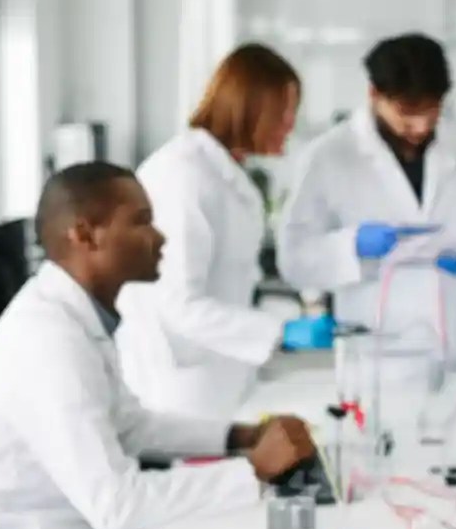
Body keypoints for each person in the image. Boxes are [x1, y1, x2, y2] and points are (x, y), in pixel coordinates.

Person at [0, 162, 316, 529]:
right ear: (85, 235)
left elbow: (129, 425)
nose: (160, 239)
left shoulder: (75, 317)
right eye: (142, 221)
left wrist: (239, 435)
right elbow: (116, 504)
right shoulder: (47, 340)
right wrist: (252, 469)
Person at [117, 43, 315, 419]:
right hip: (181, 391)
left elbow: (232, 279)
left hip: (221, 377)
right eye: (284, 111)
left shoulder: (223, 171)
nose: (291, 123)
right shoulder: (185, 176)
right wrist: (279, 331)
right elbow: (179, 304)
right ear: (249, 107)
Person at [277, 33, 456, 363]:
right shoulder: (328, 155)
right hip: (377, 351)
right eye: (407, 112)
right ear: (374, 95)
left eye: (431, 111)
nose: (420, 126)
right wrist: (350, 245)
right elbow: (293, 258)